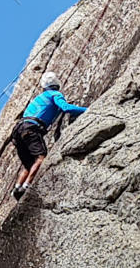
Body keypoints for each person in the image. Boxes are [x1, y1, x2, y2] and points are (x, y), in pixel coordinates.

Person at [11, 71, 87, 199]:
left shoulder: (38, 98)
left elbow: (48, 112)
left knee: (29, 164)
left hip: (18, 130)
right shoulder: (55, 94)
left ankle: (17, 188)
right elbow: (66, 108)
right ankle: (26, 186)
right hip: (31, 128)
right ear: (57, 85)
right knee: (41, 157)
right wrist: (88, 110)